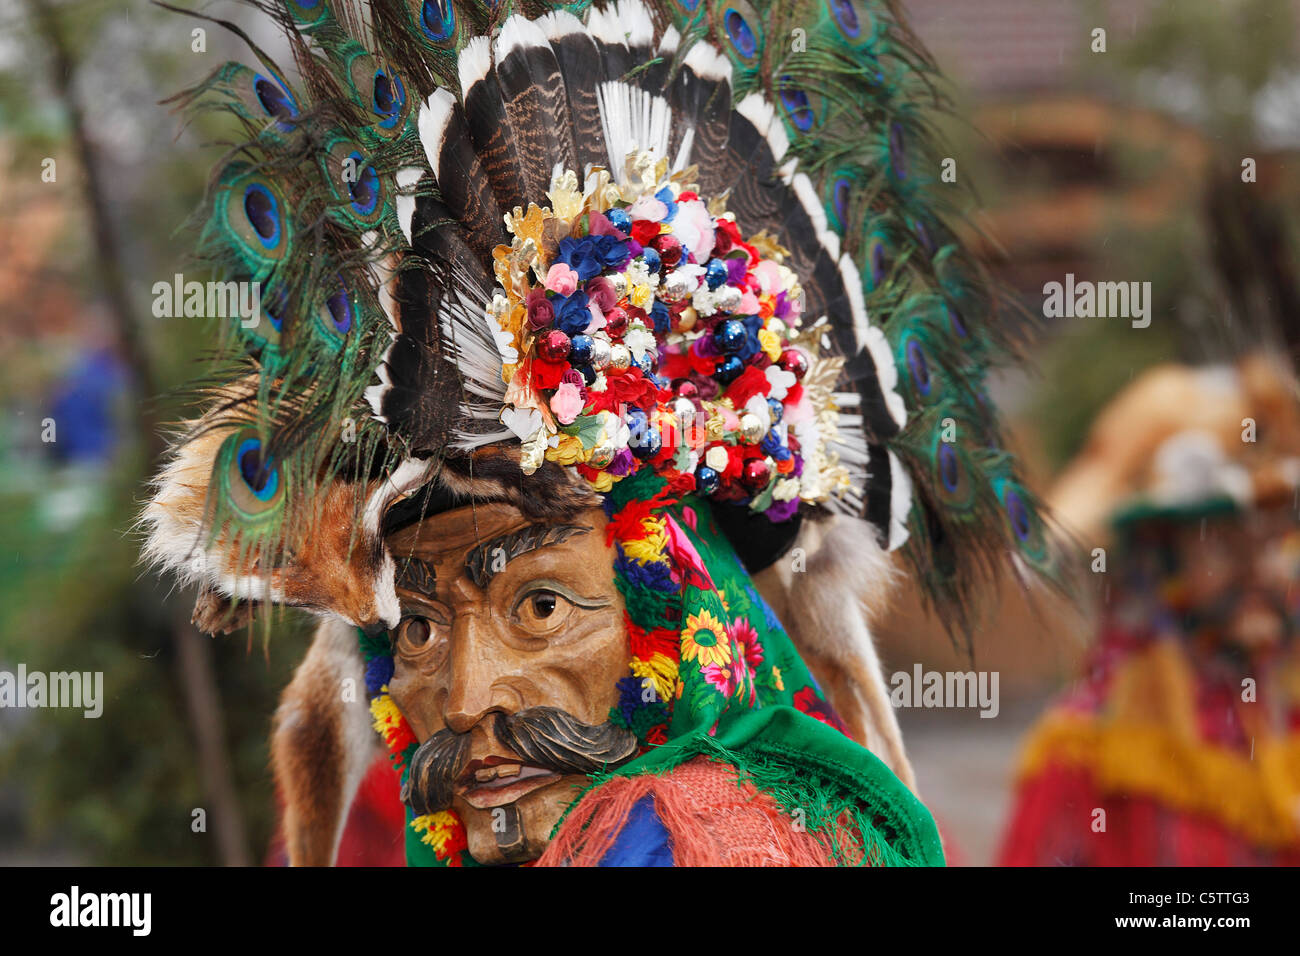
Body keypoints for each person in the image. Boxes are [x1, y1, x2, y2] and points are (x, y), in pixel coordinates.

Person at [143, 0, 1058, 866]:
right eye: (418, 632)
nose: (464, 700)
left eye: (540, 608)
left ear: (679, 608)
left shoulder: (681, 835)